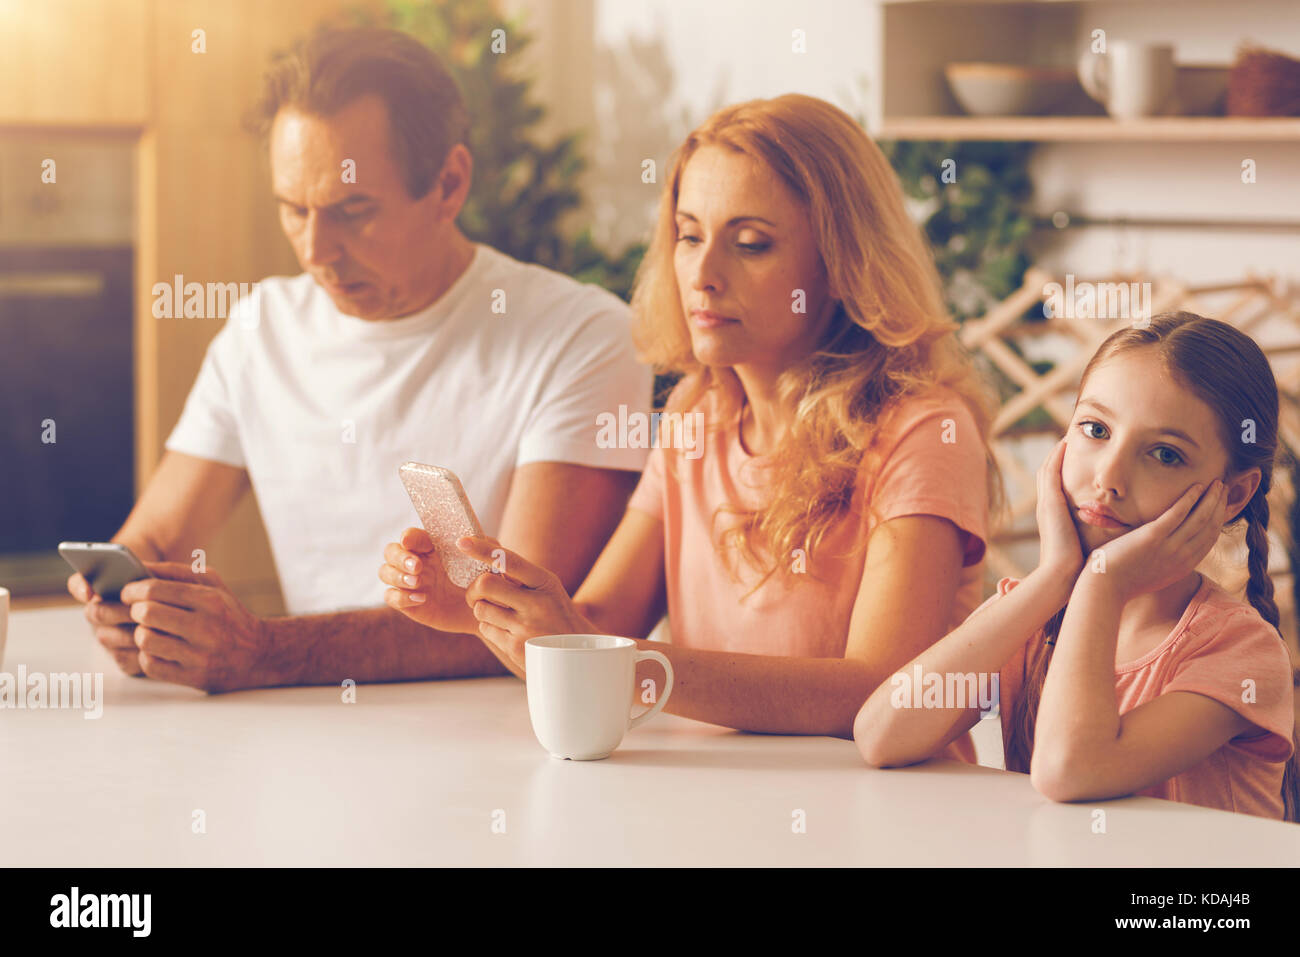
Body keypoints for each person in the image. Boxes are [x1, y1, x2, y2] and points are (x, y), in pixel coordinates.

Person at [380, 94, 1003, 747]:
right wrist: (482, 610)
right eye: (688, 235)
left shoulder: (924, 431)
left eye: (751, 243)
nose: (702, 275)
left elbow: (878, 690)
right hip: (712, 812)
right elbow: (591, 623)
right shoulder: (695, 416)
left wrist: (605, 652)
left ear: (842, 265)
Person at [66, 27, 650, 692]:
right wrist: (130, 604)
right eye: (294, 209)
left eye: (352, 211)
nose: (316, 250)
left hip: (497, 744)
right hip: (309, 735)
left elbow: (525, 624)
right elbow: (158, 538)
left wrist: (263, 650)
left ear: (449, 183)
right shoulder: (261, 330)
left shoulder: (581, 336)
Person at [856, 313, 1299, 821]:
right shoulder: (1037, 609)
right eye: (1095, 429)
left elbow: (1071, 770)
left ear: (1234, 494)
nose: (1108, 477)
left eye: (1164, 454)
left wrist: (1101, 585)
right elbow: (881, 736)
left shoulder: (1242, 653)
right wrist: (1051, 579)